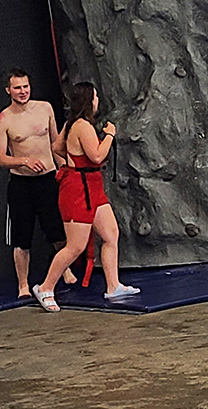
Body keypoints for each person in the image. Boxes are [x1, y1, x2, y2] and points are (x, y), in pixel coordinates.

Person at [32, 82, 140, 313]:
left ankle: (113, 286)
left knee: (111, 233)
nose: (98, 99)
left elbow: (57, 147)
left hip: (92, 185)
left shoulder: (73, 123)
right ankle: (45, 287)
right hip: (78, 190)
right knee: (75, 246)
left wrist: (71, 159)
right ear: (90, 100)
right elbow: (97, 156)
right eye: (96, 96)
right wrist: (109, 135)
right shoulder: (82, 126)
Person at [0, 68, 76, 298]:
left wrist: (66, 168)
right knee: (21, 237)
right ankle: (23, 284)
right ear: (8, 90)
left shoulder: (45, 108)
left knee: (57, 230)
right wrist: (24, 160)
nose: (23, 91)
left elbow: (56, 143)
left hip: (49, 180)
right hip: (21, 184)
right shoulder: (5, 118)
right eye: (17, 88)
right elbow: (1, 158)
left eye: (25, 86)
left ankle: (65, 270)